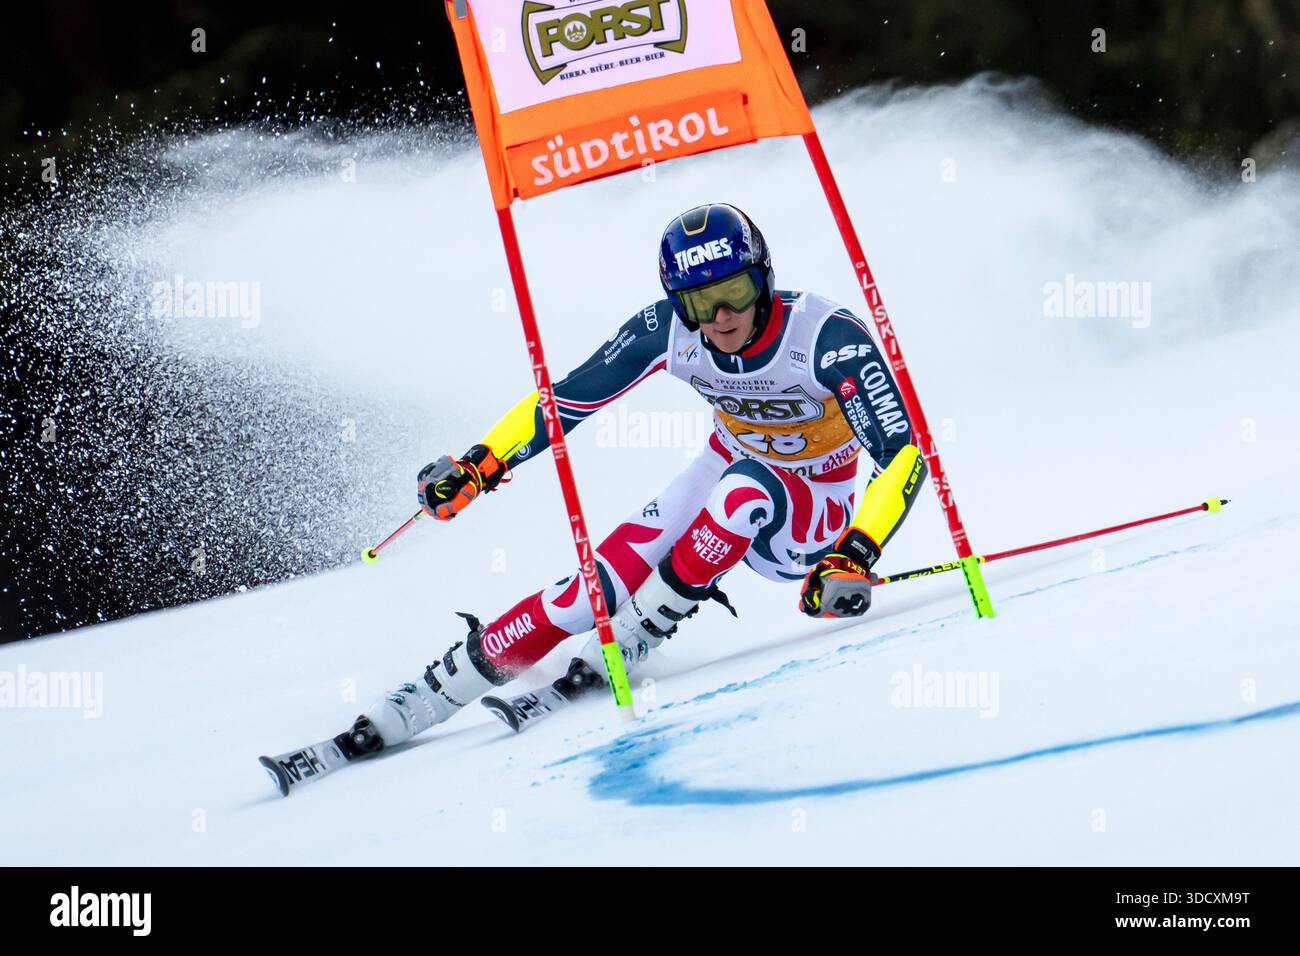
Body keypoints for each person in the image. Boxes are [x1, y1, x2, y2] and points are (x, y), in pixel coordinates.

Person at [346, 203, 927, 753]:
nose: (721, 318)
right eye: (700, 303)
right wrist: (482, 462)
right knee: (593, 588)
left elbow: (905, 456)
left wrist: (855, 552)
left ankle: (636, 634)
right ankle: (427, 698)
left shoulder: (826, 338)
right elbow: (568, 399)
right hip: (724, 465)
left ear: (764, 279)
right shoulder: (668, 329)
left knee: (745, 489)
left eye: (735, 293)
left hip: (813, 510)